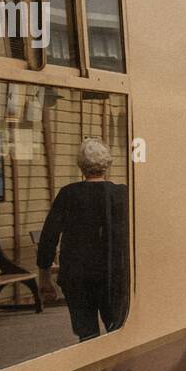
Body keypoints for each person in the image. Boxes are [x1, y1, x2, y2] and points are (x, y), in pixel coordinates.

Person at [37, 138, 130, 342]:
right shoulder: (120, 194)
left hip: (76, 276)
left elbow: (49, 235)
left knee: (86, 333)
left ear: (80, 165)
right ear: (107, 164)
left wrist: (44, 274)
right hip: (112, 274)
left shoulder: (68, 194)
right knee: (117, 330)